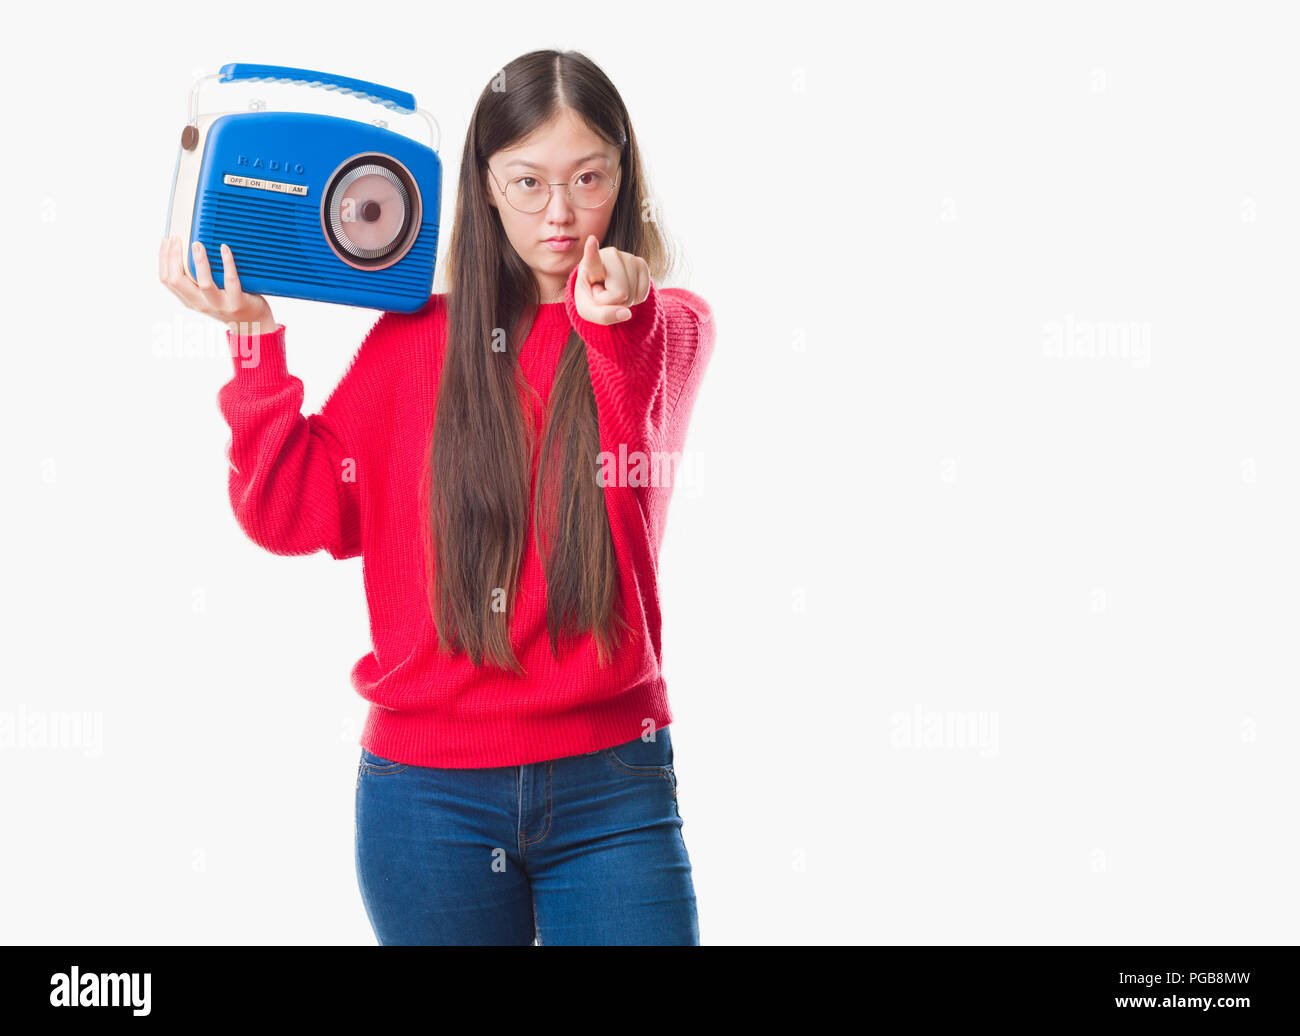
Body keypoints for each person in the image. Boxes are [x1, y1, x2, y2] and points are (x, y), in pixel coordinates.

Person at [158, 48, 715, 946]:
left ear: (625, 176)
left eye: (589, 178)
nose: (562, 213)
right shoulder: (416, 340)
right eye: (528, 182)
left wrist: (622, 311)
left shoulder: (668, 327)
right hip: (427, 799)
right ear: (486, 187)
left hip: (612, 785)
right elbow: (296, 512)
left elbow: (636, 367)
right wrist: (255, 345)